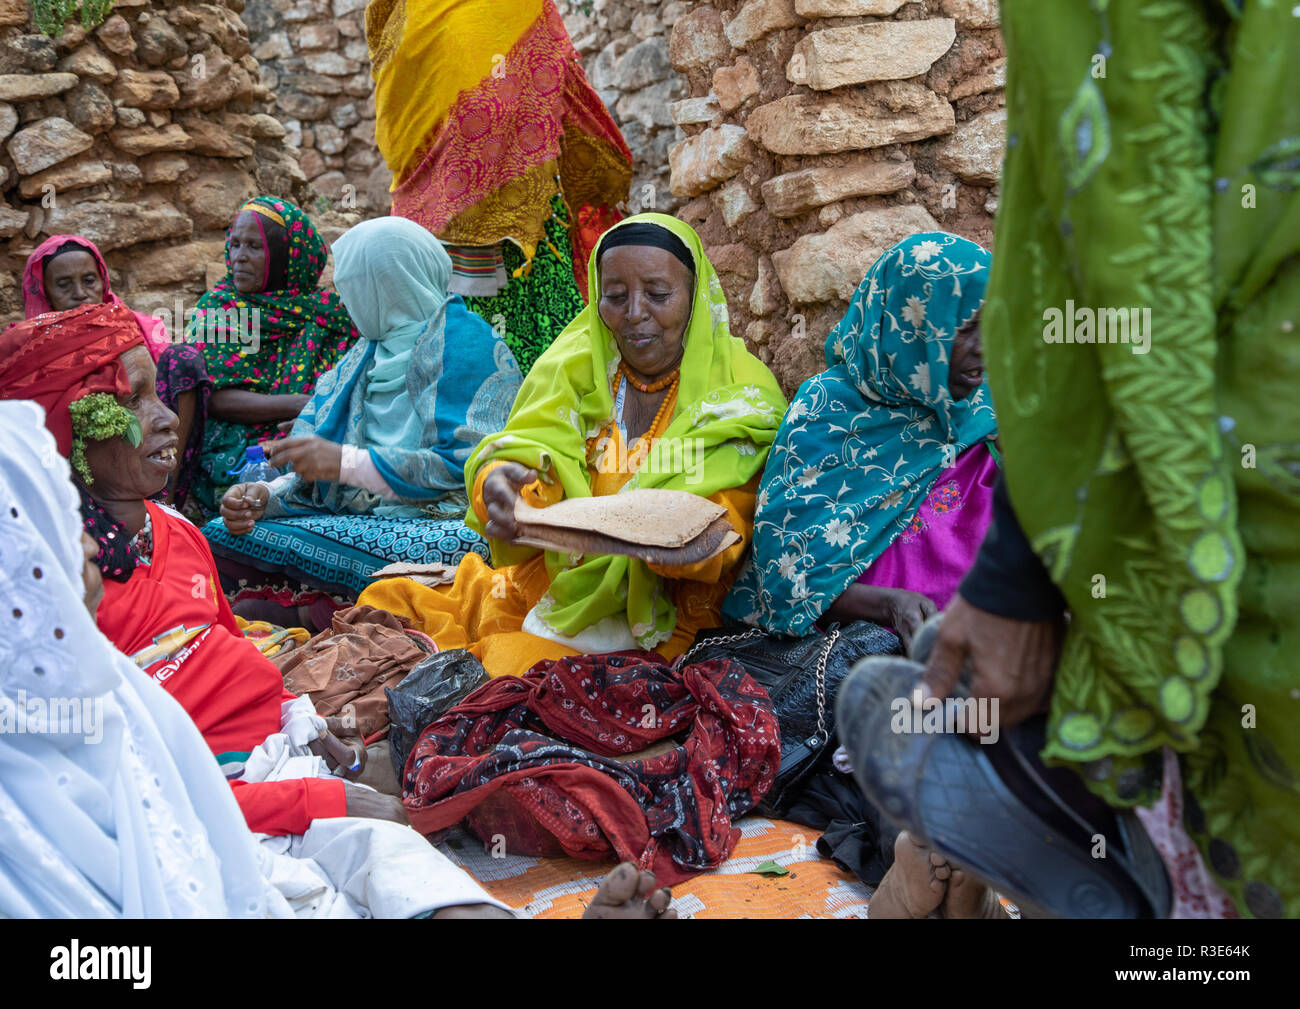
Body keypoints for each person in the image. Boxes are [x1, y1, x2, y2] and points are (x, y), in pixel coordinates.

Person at [0, 393, 675, 920]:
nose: (163, 416)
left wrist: (293, 717)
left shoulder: (128, 645)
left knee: (403, 863)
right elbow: (189, 812)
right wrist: (322, 793)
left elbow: (228, 653)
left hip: (262, 759)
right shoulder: (60, 757)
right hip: (235, 802)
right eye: (65, 538)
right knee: (341, 855)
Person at [911, 0, 1296, 918]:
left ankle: (1070, 825)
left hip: (1246, 451)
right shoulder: (832, 423)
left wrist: (1021, 573)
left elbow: (1123, 212)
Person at [357, 214, 788, 677]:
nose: (635, 313)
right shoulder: (572, 368)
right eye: (615, 297)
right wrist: (501, 484)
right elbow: (524, 448)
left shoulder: (742, 393)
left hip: (665, 610)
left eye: (659, 295)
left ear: (695, 296)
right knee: (388, 601)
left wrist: (687, 546)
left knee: (516, 671)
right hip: (557, 584)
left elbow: (730, 518)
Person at [211, 216, 522, 600]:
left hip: (442, 517)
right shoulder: (366, 354)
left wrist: (345, 463)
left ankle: (312, 608)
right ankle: (323, 606)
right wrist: (263, 495)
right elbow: (320, 464)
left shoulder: (468, 346)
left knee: (459, 549)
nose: (343, 301)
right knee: (219, 533)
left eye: (353, 287)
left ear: (387, 285)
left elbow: (468, 464)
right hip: (366, 514)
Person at [725, 233, 999, 649]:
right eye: (964, 329)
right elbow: (785, 579)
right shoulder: (825, 414)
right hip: (868, 666)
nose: (986, 350)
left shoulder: (985, 412)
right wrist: (888, 605)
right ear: (911, 326)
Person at [368, 0, 633, 373]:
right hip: (443, 215)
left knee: (544, 351)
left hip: (528, 213)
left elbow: (557, 80)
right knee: (456, 352)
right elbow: (402, 110)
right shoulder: (409, 12)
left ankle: (548, 409)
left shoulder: (519, 8)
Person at [189, 196, 359, 518]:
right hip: (241, 453)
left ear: (288, 257)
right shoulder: (221, 307)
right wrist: (301, 403)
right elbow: (215, 399)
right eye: (235, 244)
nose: (238, 257)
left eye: (254, 247)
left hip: (315, 440)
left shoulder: (327, 312)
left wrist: (316, 417)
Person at [22, 234, 211, 511]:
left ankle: (164, 503)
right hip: (90, 473)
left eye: (89, 280)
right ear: (44, 292)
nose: (80, 293)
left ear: (103, 281)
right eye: (64, 284)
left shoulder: (134, 328)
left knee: (183, 359)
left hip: (151, 448)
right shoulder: (30, 350)